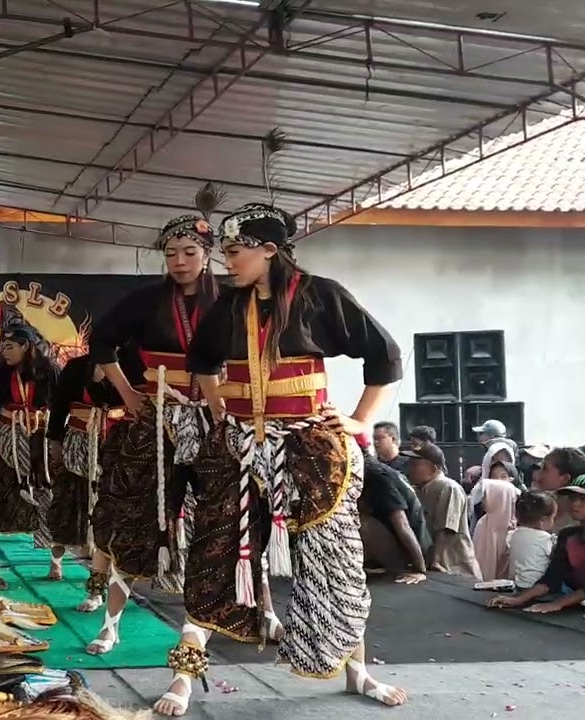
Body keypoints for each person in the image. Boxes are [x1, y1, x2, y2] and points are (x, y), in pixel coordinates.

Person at [178, 202, 407, 716]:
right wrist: (220, 412)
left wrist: (361, 420)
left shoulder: (320, 294)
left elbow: (386, 354)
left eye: (234, 252)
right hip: (238, 450)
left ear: (268, 250)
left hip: (310, 449)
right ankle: (184, 675)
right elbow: (203, 363)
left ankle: (357, 671)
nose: (227, 262)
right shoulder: (228, 305)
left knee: (333, 562)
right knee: (214, 554)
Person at [82, 188, 235, 656]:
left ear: (207, 254)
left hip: (217, 419)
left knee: (229, 516)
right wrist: (128, 394)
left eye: (189, 252)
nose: (179, 261)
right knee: (133, 517)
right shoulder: (147, 300)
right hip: (158, 419)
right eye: (170, 253)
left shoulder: (233, 300)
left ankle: (251, 608)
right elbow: (101, 342)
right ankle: (111, 625)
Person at [0, 325, 58, 567]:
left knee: (47, 493)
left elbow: (60, 404)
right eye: (2, 347)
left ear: (25, 346)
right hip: (7, 438)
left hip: (40, 440)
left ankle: (56, 561)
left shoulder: (49, 371)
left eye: (9, 347)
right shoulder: (2, 375)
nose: (4, 352)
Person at [44, 353, 124, 594]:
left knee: (106, 510)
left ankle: (99, 578)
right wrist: (55, 439)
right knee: (66, 502)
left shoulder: (129, 364)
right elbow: (59, 405)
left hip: (114, 443)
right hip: (77, 443)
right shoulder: (76, 367)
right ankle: (56, 560)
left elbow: (117, 401)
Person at [489, 472, 585, 613]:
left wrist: (558, 604)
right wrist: (519, 599)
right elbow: (552, 577)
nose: (575, 504)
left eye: (584, 499)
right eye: (572, 498)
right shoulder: (567, 535)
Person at [404, 444, 480, 579]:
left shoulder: (448, 488)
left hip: (453, 565)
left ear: (434, 468)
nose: (410, 469)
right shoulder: (418, 489)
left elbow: (446, 530)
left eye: (416, 465)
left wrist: (436, 561)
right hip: (432, 564)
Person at [360, 452, 431, 580]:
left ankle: (398, 566)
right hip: (400, 541)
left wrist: (419, 569)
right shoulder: (375, 469)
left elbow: (402, 523)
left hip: (412, 549)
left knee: (361, 521)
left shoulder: (377, 476)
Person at [508, 491, 557, 590]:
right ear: (542, 520)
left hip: (517, 585)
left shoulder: (514, 534)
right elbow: (557, 557)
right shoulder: (545, 539)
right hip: (536, 587)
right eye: (553, 517)